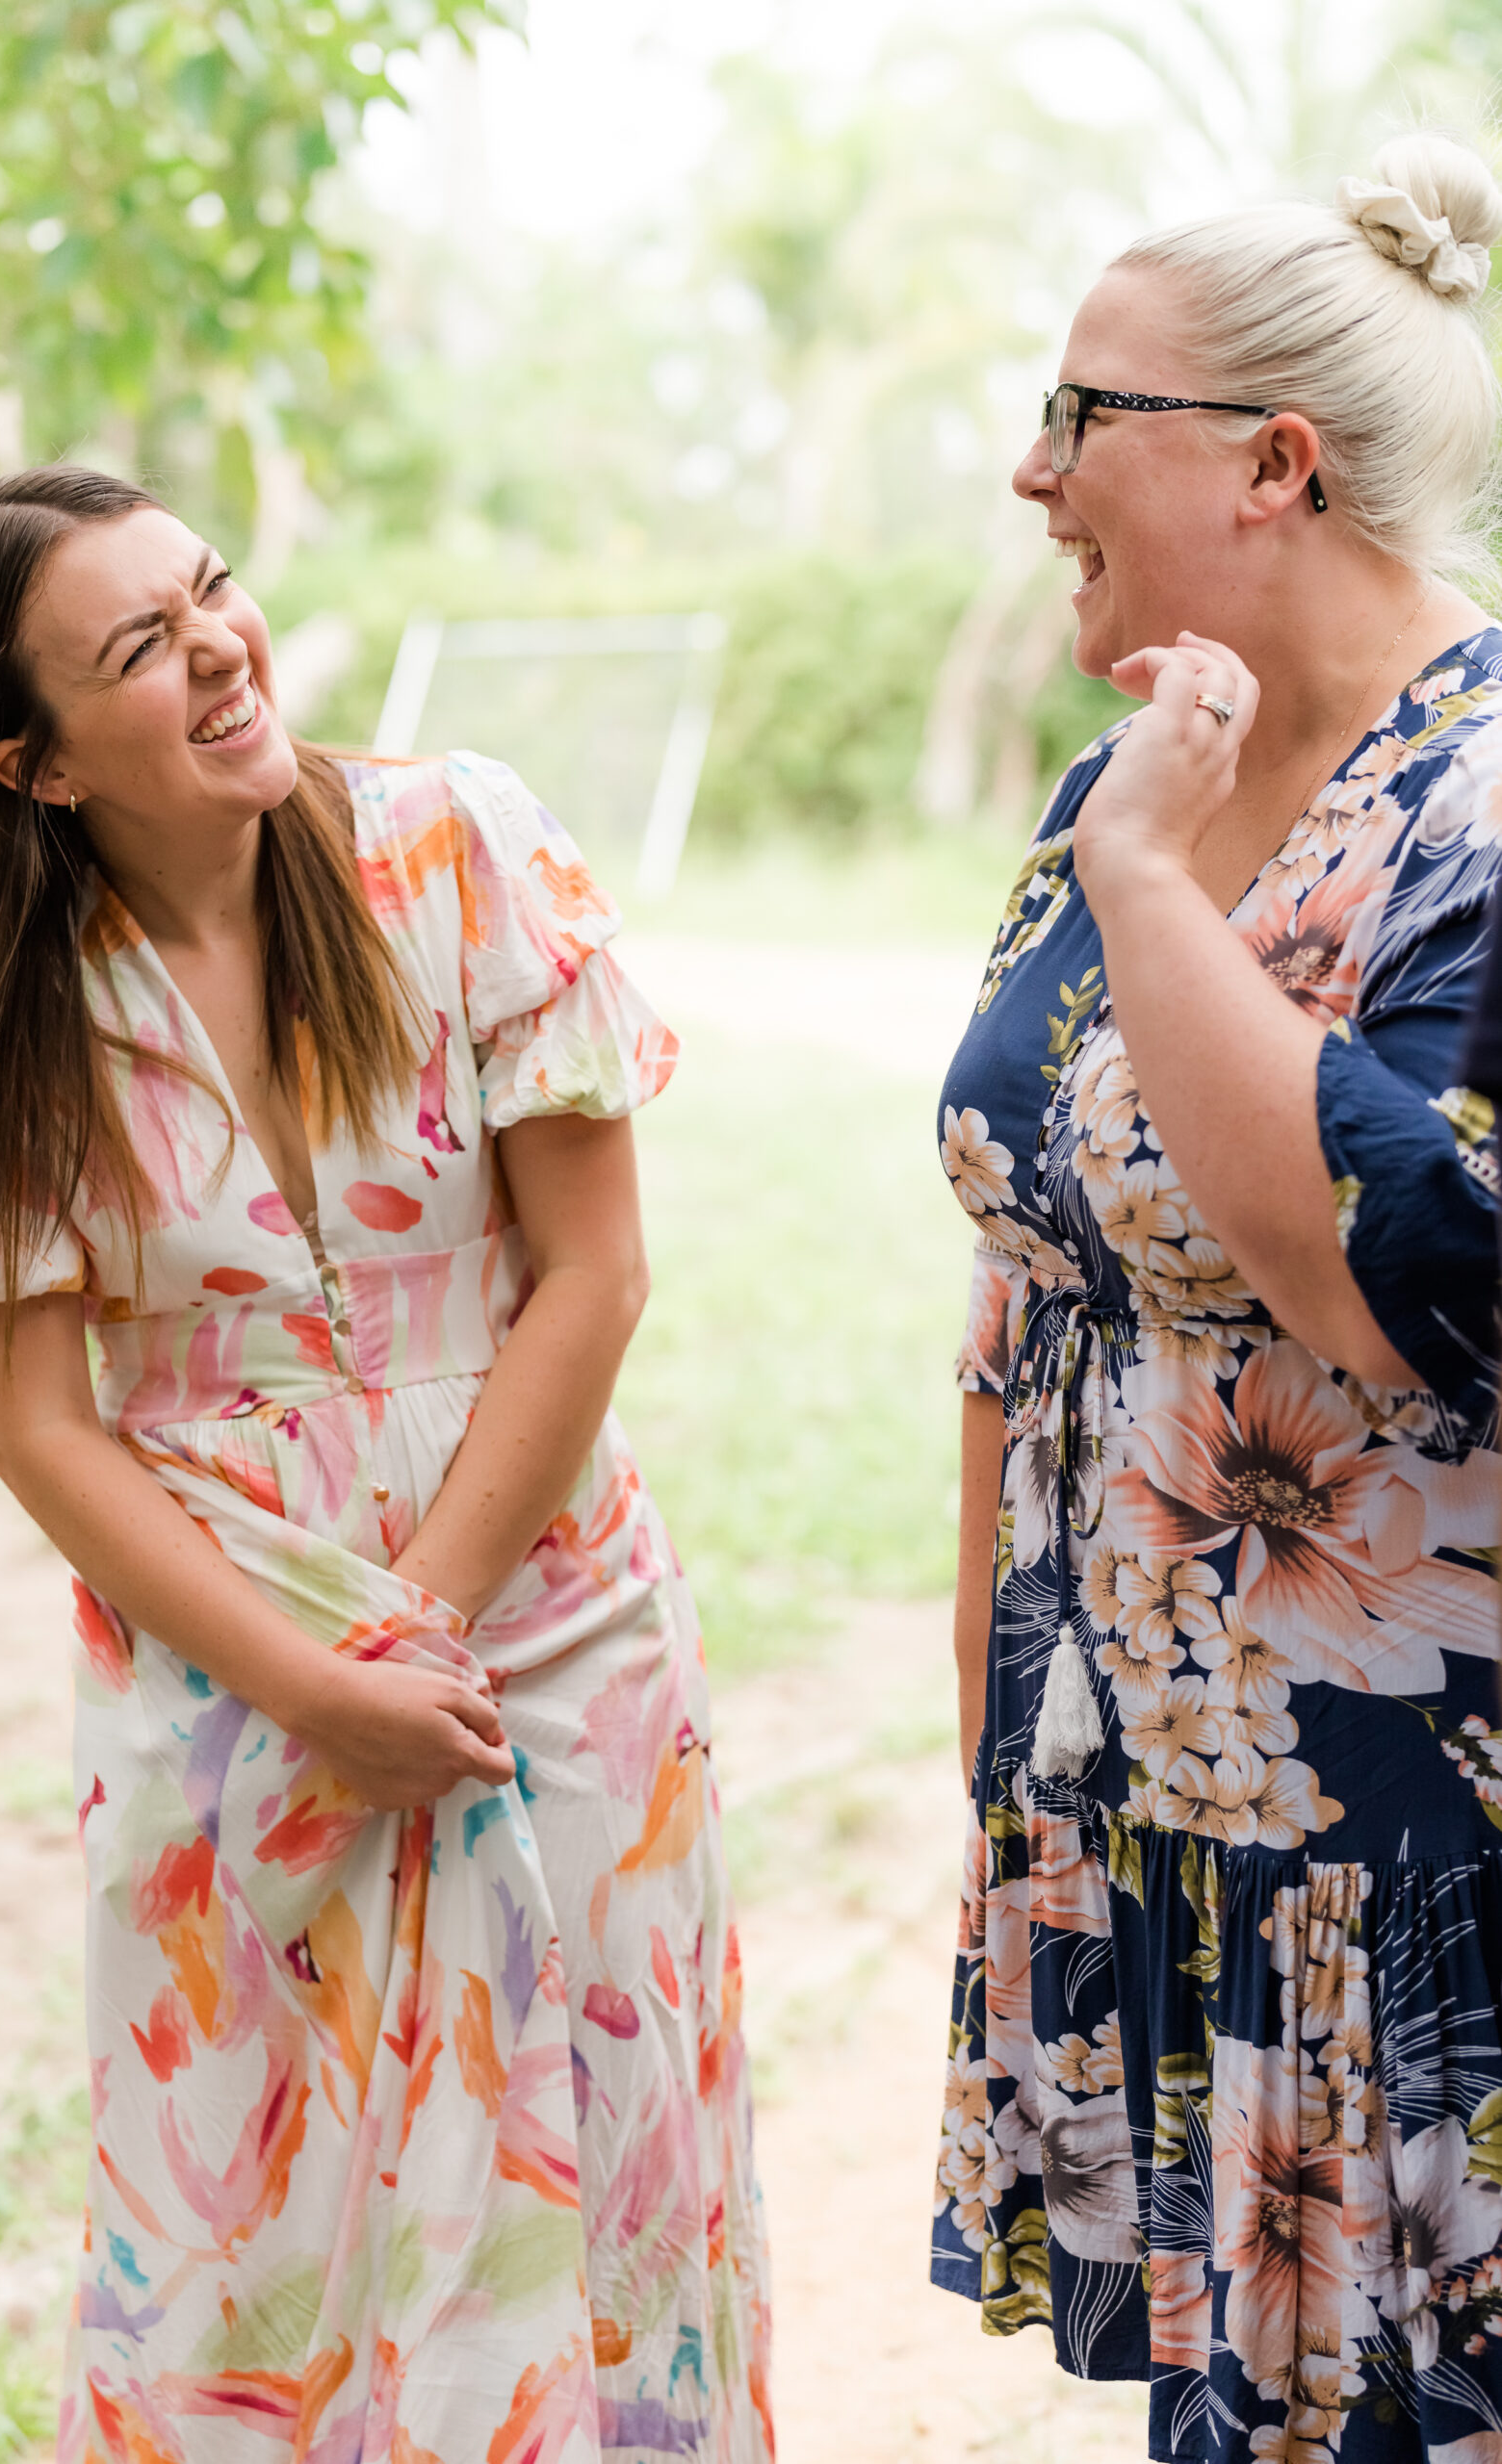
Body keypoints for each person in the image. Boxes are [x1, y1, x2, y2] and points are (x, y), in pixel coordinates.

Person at [0, 467, 772, 2463]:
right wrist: (313, 1687)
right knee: (262, 2233)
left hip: (550, 1620)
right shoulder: (7, 1005)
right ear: (28, 762)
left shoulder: (458, 846)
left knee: (596, 2161)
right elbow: (36, 1420)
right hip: (227, 1686)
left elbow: (593, 1274)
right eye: (137, 649)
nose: (216, 649)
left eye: (209, 592)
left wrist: (409, 1644)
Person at [931, 134, 1502, 2464]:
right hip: (1143, 1815)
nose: (1028, 465)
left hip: (1400, 1855)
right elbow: (1013, 1283)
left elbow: (1396, 1287)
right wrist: (990, 1770)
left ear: (1270, 463)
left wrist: (1146, 879)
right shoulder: (1125, 774)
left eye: (1083, 412)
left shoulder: (1464, 807)